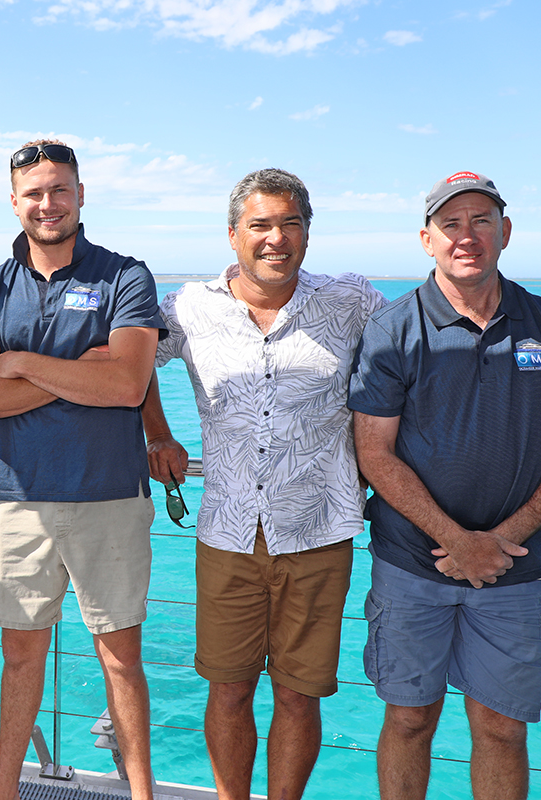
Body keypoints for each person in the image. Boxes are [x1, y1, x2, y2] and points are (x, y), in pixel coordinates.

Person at [348, 171, 541, 800]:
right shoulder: (392, 329)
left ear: (506, 232)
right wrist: (456, 540)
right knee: (409, 721)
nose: (468, 236)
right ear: (426, 239)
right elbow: (373, 453)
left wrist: (498, 541)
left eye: (482, 221)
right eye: (451, 224)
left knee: (501, 729)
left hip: (515, 568)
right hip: (412, 564)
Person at [141, 168, 385, 800]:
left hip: (319, 529)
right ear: (233, 235)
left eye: (290, 224)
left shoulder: (352, 300)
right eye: (261, 225)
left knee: (300, 696)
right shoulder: (189, 307)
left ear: (307, 232)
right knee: (228, 688)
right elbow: (132, 358)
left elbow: (415, 364)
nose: (276, 238)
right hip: (227, 530)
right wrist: (158, 434)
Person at [0, 140, 165, 800]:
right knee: (20, 658)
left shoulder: (126, 276)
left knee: (120, 659)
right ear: (14, 202)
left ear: (80, 194)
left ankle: (142, 794)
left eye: (59, 189)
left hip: (109, 495)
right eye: (34, 193)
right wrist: (84, 373)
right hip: (16, 498)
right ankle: (5, 791)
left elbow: (130, 384)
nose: (48, 203)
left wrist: (20, 362)